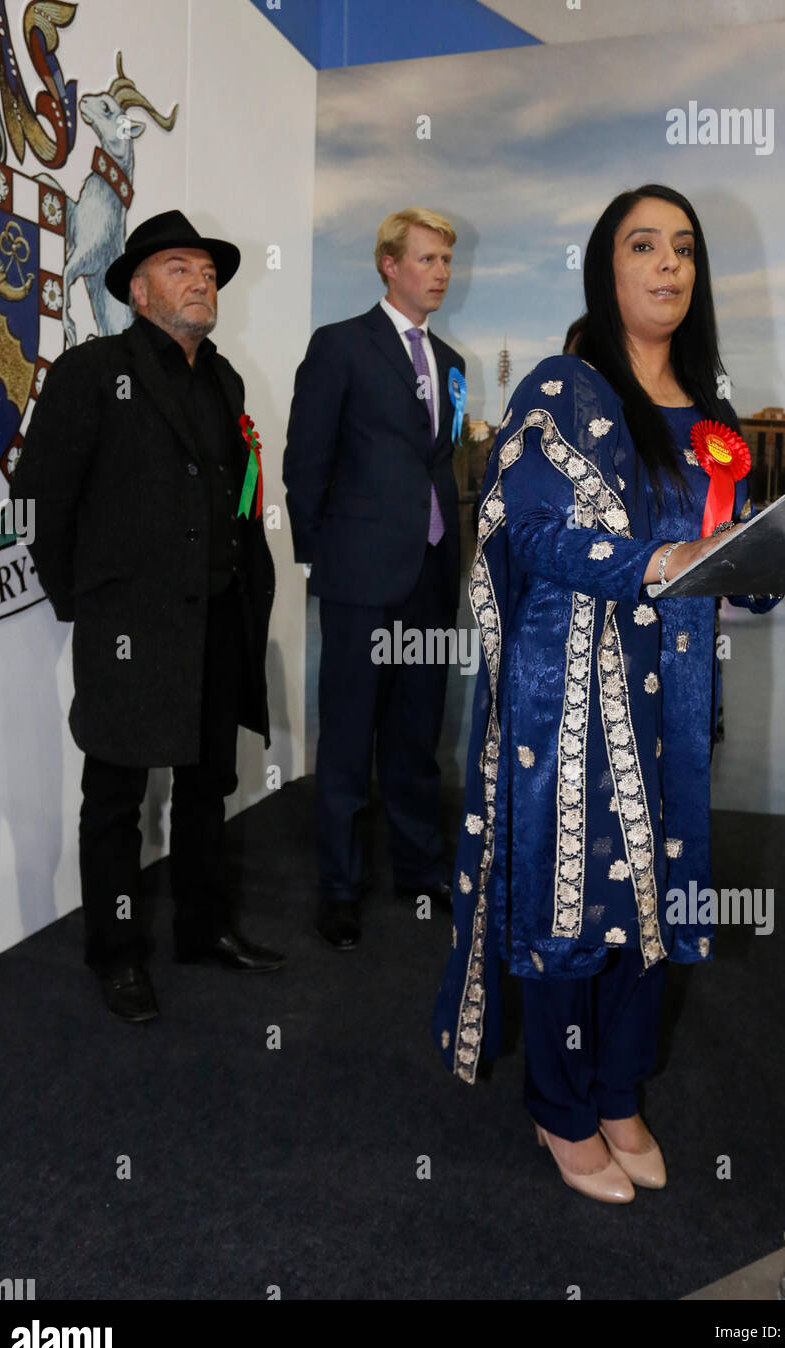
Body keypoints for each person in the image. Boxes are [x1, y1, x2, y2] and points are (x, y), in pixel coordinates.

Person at [432, 185, 779, 1202]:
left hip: (669, 704)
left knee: (653, 904)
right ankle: (560, 1107)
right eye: (644, 246)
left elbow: (734, 555)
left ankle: (619, 1088)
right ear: (606, 268)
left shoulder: (711, 418)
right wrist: (660, 557)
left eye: (684, 248)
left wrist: (761, 558)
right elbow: (528, 532)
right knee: (571, 906)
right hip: (569, 700)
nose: (669, 264)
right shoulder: (561, 390)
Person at [11, 210, 285, 1023]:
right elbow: (39, 502)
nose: (200, 280)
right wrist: (87, 601)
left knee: (208, 790)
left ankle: (202, 931)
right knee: (117, 802)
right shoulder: (94, 371)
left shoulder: (226, 380)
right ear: (136, 289)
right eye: (178, 267)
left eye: (207, 270)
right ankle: (117, 955)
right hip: (129, 633)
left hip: (217, 625)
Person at [283, 208, 466, 950]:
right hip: (361, 580)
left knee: (417, 732)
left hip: (429, 575)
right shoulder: (340, 346)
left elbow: (437, 461)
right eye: (427, 259)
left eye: (447, 261)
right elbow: (306, 463)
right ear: (389, 265)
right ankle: (339, 887)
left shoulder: (452, 362)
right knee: (349, 735)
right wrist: (321, 559)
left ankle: (420, 868)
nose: (442, 273)